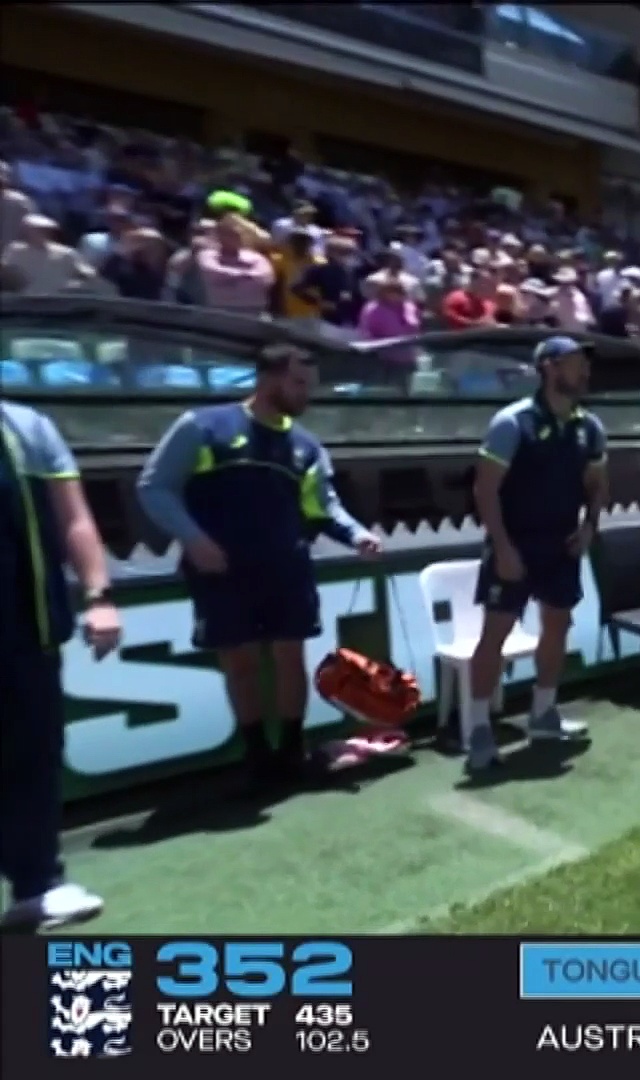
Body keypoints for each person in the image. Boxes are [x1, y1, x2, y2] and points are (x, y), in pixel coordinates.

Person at [136, 344, 382, 794]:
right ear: (269, 380)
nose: (307, 394)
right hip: (222, 571)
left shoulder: (306, 446)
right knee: (241, 663)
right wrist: (194, 539)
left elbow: (325, 506)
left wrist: (357, 534)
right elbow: (155, 488)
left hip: (288, 569)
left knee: (291, 660)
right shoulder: (203, 426)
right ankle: (257, 757)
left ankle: (290, 753)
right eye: (299, 383)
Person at [1, 402, 121, 929]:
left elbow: (73, 517)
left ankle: (37, 887)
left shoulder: (26, 427)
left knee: (34, 752)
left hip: (27, 622)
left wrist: (99, 595)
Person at [465, 336, 606, 772]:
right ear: (548, 368)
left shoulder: (589, 426)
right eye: (574, 363)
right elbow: (484, 489)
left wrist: (588, 528)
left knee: (557, 624)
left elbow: (598, 484)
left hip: (562, 545)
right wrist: (504, 548)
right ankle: (478, 729)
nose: (583, 371)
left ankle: (543, 715)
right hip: (515, 544)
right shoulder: (512, 423)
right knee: (496, 634)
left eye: (585, 363)